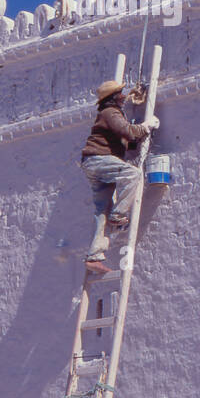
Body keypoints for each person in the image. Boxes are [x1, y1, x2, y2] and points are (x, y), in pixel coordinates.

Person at [81, 79, 159, 273]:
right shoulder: (110, 113)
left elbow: (126, 139)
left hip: (93, 164)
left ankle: (94, 257)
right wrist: (145, 126)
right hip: (99, 160)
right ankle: (119, 215)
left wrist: (136, 136)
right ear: (113, 97)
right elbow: (128, 132)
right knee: (132, 174)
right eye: (120, 94)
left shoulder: (107, 114)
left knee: (102, 211)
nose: (124, 96)